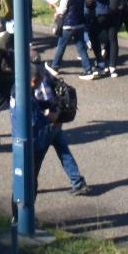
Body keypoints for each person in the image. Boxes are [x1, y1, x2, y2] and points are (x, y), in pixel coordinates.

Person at [31, 57, 87, 194]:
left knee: (37, 156)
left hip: (46, 121)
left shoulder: (33, 80)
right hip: (57, 117)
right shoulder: (46, 74)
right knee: (63, 151)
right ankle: (78, 182)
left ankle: (30, 186)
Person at [50, 0, 96, 76]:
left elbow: (62, 10)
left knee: (61, 46)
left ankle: (55, 66)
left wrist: (55, 8)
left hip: (68, 24)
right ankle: (88, 69)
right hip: (79, 23)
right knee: (81, 47)